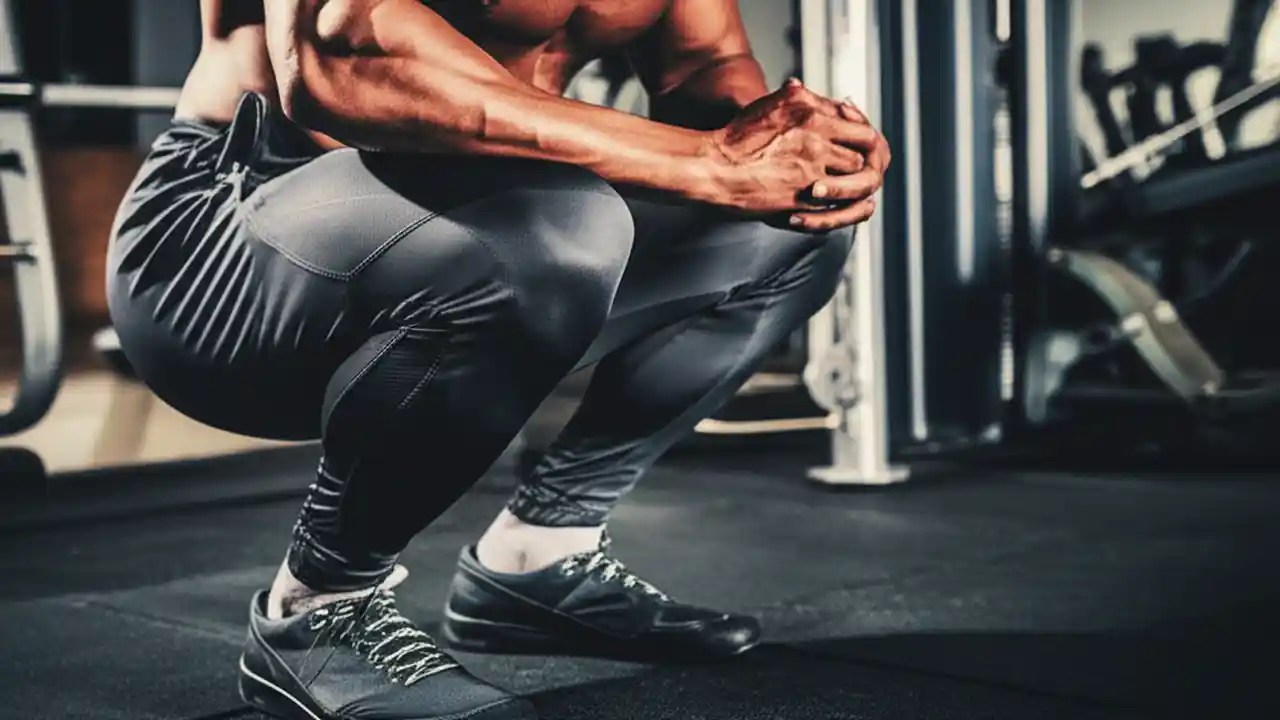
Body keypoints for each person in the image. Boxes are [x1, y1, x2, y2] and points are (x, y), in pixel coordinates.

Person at [106, 1, 891, 718]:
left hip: (487, 228)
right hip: (224, 251)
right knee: (558, 222)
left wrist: (789, 152)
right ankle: (318, 612)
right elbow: (341, 61)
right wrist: (706, 163)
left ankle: (539, 553)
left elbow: (704, 68)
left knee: (788, 226)